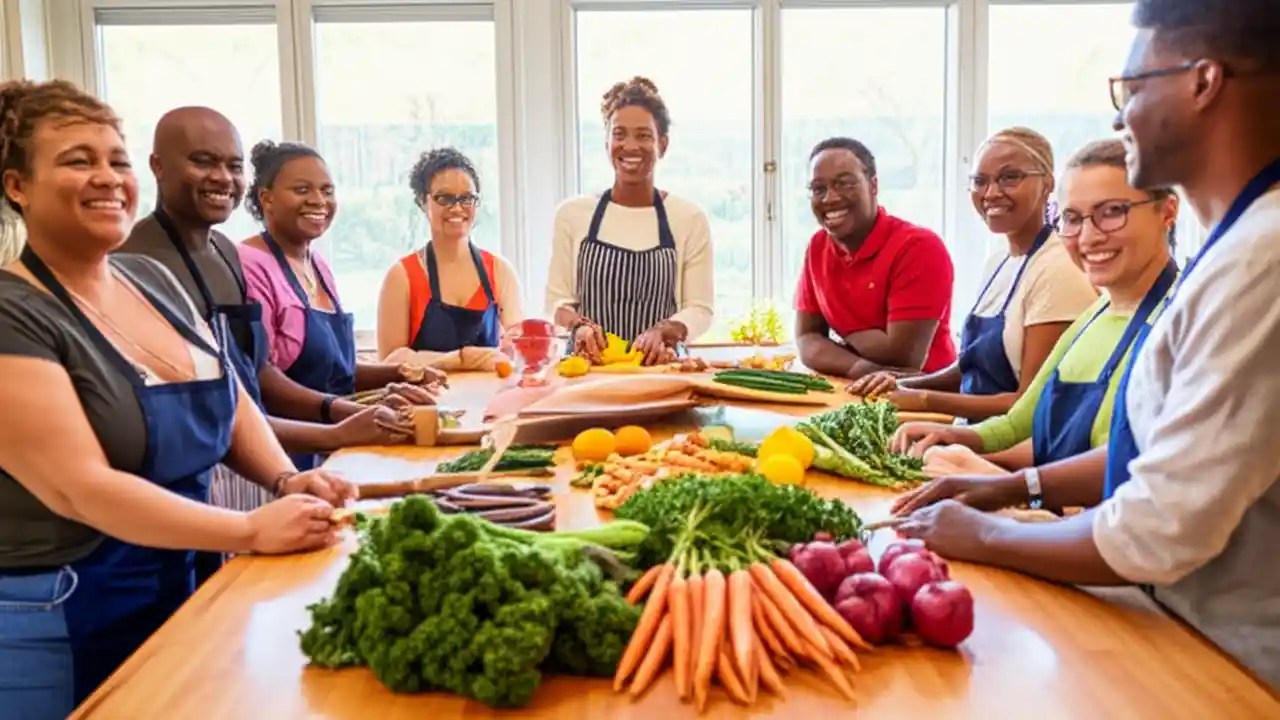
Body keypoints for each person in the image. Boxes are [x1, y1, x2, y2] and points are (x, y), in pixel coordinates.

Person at [891, 0, 1280, 688]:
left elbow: (1153, 529)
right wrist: (1010, 489)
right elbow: (1162, 457)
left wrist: (985, 534)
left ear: (1203, 81)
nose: (1118, 115)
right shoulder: (1239, 250)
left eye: (1131, 87)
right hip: (1173, 626)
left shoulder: (1263, 260)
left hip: (1229, 664)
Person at [0, 79, 350, 718]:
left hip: (183, 576)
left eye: (116, 160)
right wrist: (248, 527)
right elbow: (77, 487)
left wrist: (283, 480)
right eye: (79, 160)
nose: (107, 178)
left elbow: (231, 390)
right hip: (62, 613)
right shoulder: (13, 312)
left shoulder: (149, 279)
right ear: (16, 185)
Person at [117, 107, 408, 517]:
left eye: (233, 165)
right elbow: (200, 410)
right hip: (171, 487)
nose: (221, 177)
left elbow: (254, 375)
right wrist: (333, 430)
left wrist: (343, 417)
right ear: (157, 166)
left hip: (253, 463)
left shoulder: (225, 255)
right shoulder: (128, 261)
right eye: (203, 161)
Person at [888, 138, 1178, 472]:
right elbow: (1019, 424)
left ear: (1168, 212)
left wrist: (1003, 481)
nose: (1088, 236)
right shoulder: (1094, 316)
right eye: (1073, 218)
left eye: (1112, 212)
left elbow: (1131, 466)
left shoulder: (1179, 324)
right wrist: (951, 438)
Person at [849, 129, 1098, 420]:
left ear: (1047, 184)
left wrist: (925, 399)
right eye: (980, 181)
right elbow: (971, 367)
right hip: (969, 434)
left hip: (1010, 453)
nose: (991, 193)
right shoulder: (998, 260)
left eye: (1009, 177)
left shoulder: (1059, 271)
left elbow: (1030, 405)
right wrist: (900, 384)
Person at [239, 140, 442, 470]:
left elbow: (334, 369)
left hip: (337, 440)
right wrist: (346, 412)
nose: (319, 201)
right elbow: (263, 378)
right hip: (288, 452)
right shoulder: (250, 264)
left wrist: (403, 376)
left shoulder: (317, 264)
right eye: (302, 189)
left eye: (327, 190)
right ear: (267, 198)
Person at [547, 76, 714, 365]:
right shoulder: (572, 215)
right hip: (588, 372)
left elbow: (700, 308)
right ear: (607, 142)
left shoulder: (689, 218)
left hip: (661, 369)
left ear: (663, 144)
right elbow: (557, 303)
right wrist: (579, 326)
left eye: (644, 135)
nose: (630, 146)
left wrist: (666, 330)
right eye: (619, 134)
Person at [794, 137, 957, 380]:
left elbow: (903, 358)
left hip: (925, 395)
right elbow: (806, 340)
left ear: (874, 185)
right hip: (853, 387)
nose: (830, 198)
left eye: (844, 184)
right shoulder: (818, 246)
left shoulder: (918, 246)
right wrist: (859, 367)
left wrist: (841, 335)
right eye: (818, 189)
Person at [376, 147, 524, 358]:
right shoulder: (401, 277)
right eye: (444, 198)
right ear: (422, 201)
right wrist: (463, 360)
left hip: (490, 391)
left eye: (466, 198)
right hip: (425, 392)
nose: (457, 208)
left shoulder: (499, 271)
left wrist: (517, 346)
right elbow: (391, 363)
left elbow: (517, 346)